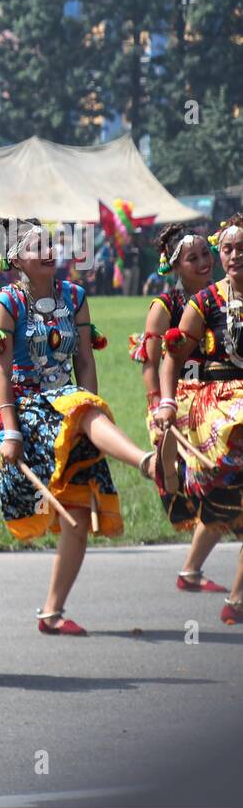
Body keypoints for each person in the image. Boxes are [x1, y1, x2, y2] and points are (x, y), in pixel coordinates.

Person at [0, 218, 155, 636]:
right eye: (35, 246)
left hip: (72, 408)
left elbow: (84, 362)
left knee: (78, 513)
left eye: (51, 244)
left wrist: (89, 403)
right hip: (25, 409)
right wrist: (10, 430)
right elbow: (1, 373)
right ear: (16, 260)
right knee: (80, 412)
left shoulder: (76, 297)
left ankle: (52, 612)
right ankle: (147, 463)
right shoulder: (7, 302)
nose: (49, 251)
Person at [156, 214, 243, 625]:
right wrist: (165, 404)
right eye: (227, 248)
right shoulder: (204, 302)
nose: (233, 256)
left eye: (239, 248)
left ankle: (235, 600)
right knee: (229, 497)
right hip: (220, 402)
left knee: (233, 503)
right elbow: (167, 359)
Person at [132, 224, 224, 593]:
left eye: (205, 255)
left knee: (222, 483)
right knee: (217, 483)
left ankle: (193, 570)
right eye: (192, 258)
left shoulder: (223, 297)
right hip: (179, 402)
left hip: (219, 399)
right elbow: (151, 364)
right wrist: (159, 408)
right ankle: (192, 569)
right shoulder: (164, 306)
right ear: (174, 266)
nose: (203, 263)